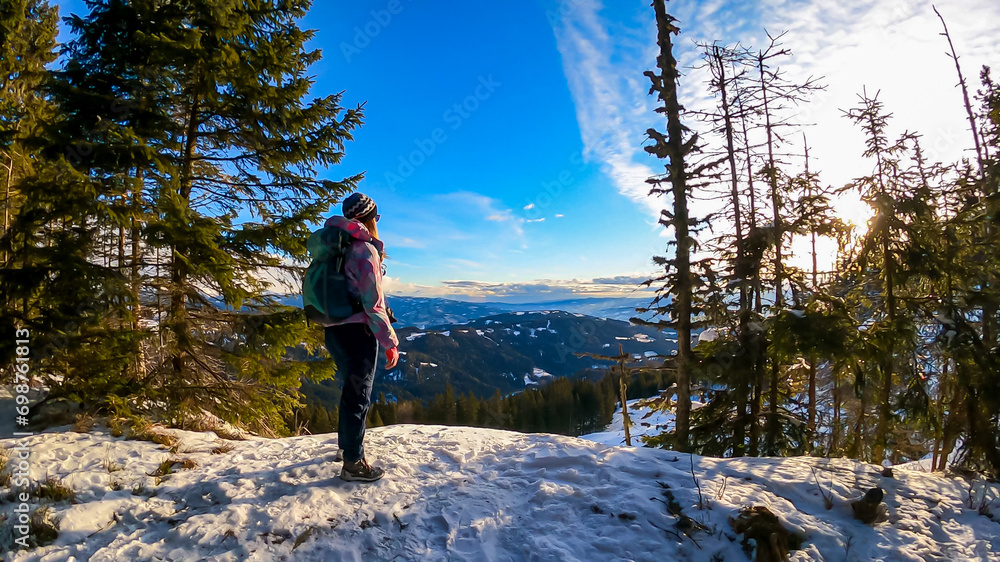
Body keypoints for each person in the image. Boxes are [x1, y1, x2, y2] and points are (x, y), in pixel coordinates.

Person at [322, 192, 399, 482]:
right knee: (359, 396)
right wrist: (390, 342)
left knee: (349, 392)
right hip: (359, 332)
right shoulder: (364, 251)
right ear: (369, 218)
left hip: (334, 330)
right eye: (376, 217)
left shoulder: (336, 247)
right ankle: (353, 463)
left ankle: (347, 449)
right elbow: (373, 305)